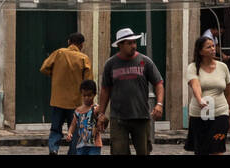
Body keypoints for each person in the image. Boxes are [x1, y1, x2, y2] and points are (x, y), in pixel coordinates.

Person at [98, 28, 164, 156]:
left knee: (144, 151)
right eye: (129, 43)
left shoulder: (145, 61)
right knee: (118, 151)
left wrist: (159, 104)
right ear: (120, 45)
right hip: (118, 118)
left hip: (141, 116)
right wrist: (101, 113)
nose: (133, 46)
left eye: (134, 42)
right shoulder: (110, 64)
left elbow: (159, 83)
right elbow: (105, 89)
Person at [40, 32, 93, 155]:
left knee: (55, 128)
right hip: (75, 102)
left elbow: (44, 68)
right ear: (81, 45)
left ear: (69, 42)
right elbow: (88, 82)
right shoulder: (83, 58)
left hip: (58, 99)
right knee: (75, 130)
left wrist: (55, 74)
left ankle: (53, 148)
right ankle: (73, 152)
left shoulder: (59, 53)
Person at [186, 34, 230, 156]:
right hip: (199, 114)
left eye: (213, 46)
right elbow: (195, 85)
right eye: (209, 47)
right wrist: (200, 99)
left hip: (220, 113)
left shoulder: (223, 67)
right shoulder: (192, 67)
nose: (213, 49)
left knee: (217, 148)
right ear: (201, 51)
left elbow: (229, 92)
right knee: (201, 150)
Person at [63, 79, 102, 155]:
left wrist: (100, 125)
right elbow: (73, 125)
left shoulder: (97, 109)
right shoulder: (78, 111)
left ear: (94, 94)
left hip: (94, 144)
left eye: (89, 95)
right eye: (84, 95)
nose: (87, 98)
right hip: (81, 144)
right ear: (81, 94)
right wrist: (69, 133)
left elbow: (103, 120)